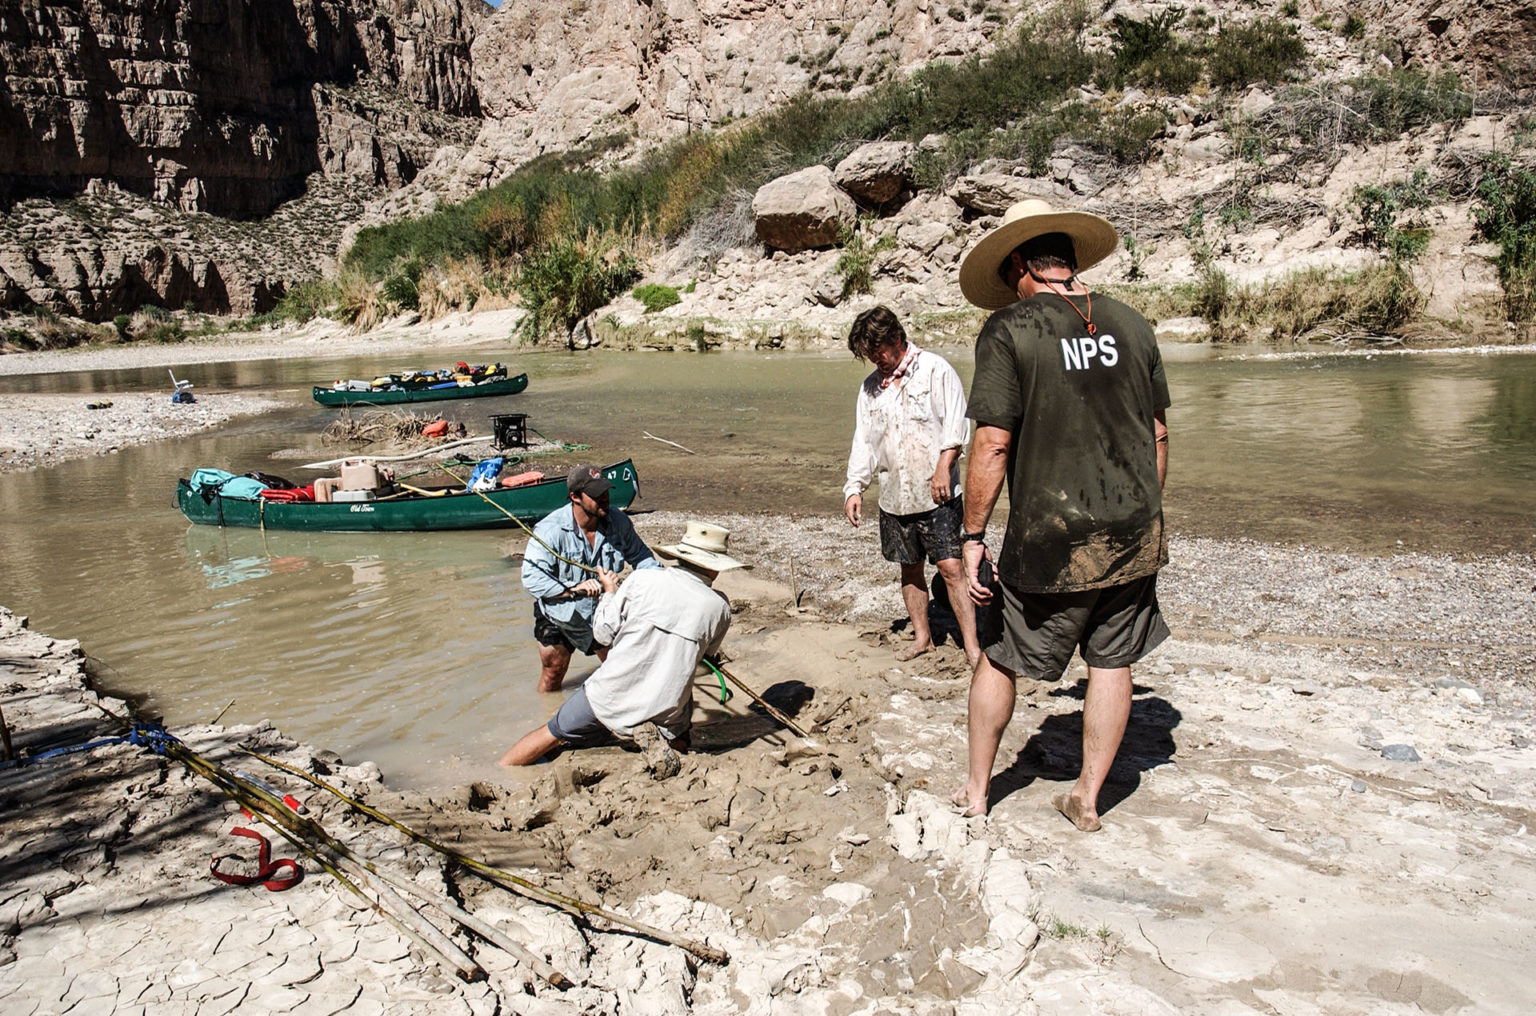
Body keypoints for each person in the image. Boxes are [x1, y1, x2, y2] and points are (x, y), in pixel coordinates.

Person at [950, 199, 1171, 831]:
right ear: (1068, 262)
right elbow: (1157, 433)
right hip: (1134, 529)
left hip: (1053, 536)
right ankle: (1087, 798)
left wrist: (971, 537)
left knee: (997, 654)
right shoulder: (1132, 324)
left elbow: (992, 443)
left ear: (1020, 263)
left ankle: (976, 791)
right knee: (1112, 660)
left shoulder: (1010, 329)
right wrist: (1144, 512)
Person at [499, 521, 745, 776]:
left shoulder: (642, 580)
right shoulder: (720, 608)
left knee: (551, 733)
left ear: (680, 556)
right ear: (715, 569)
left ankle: (502, 770)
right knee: (680, 729)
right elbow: (706, 656)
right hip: (664, 710)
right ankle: (676, 747)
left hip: (607, 699)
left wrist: (610, 591)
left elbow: (602, 634)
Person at [842, 305, 980, 667]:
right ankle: (923, 638)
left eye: (879, 351)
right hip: (894, 497)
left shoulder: (935, 370)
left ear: (897, 338)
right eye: (870, 355)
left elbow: (957, 427)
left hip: (938, 493)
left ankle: (972, 646)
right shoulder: (870, 388)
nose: (876, 360)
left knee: (952, 568)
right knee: (909, 568)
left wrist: (942, 469)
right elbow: (864, 441)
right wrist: (854, 487)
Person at [520, 464, 660, 692]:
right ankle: (548, 716)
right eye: (596, 495)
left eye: (605, 491)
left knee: (622, 669)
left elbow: (642, 558)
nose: (605, 498)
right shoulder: (549, 530)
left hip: (603, 613)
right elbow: (531, 578)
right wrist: (573, 590)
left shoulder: (619, 522)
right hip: (560, 614)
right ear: (574, 497)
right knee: (552, 674)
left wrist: (662, 583)